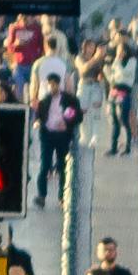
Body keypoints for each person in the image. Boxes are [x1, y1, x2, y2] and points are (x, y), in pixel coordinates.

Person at [34, 68, 80, 206]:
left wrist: (67, 123)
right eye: (50, 84)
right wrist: (38, 122)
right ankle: (41, 195)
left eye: (54, 84)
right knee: (45, 165)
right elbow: (38, 117)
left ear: (59, 85)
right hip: (48, 135)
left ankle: (62, 196)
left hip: (62, 136)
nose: (52, 87)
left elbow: (77, 116)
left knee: (62, 166)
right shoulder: (44, 101)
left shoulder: (69, 100)